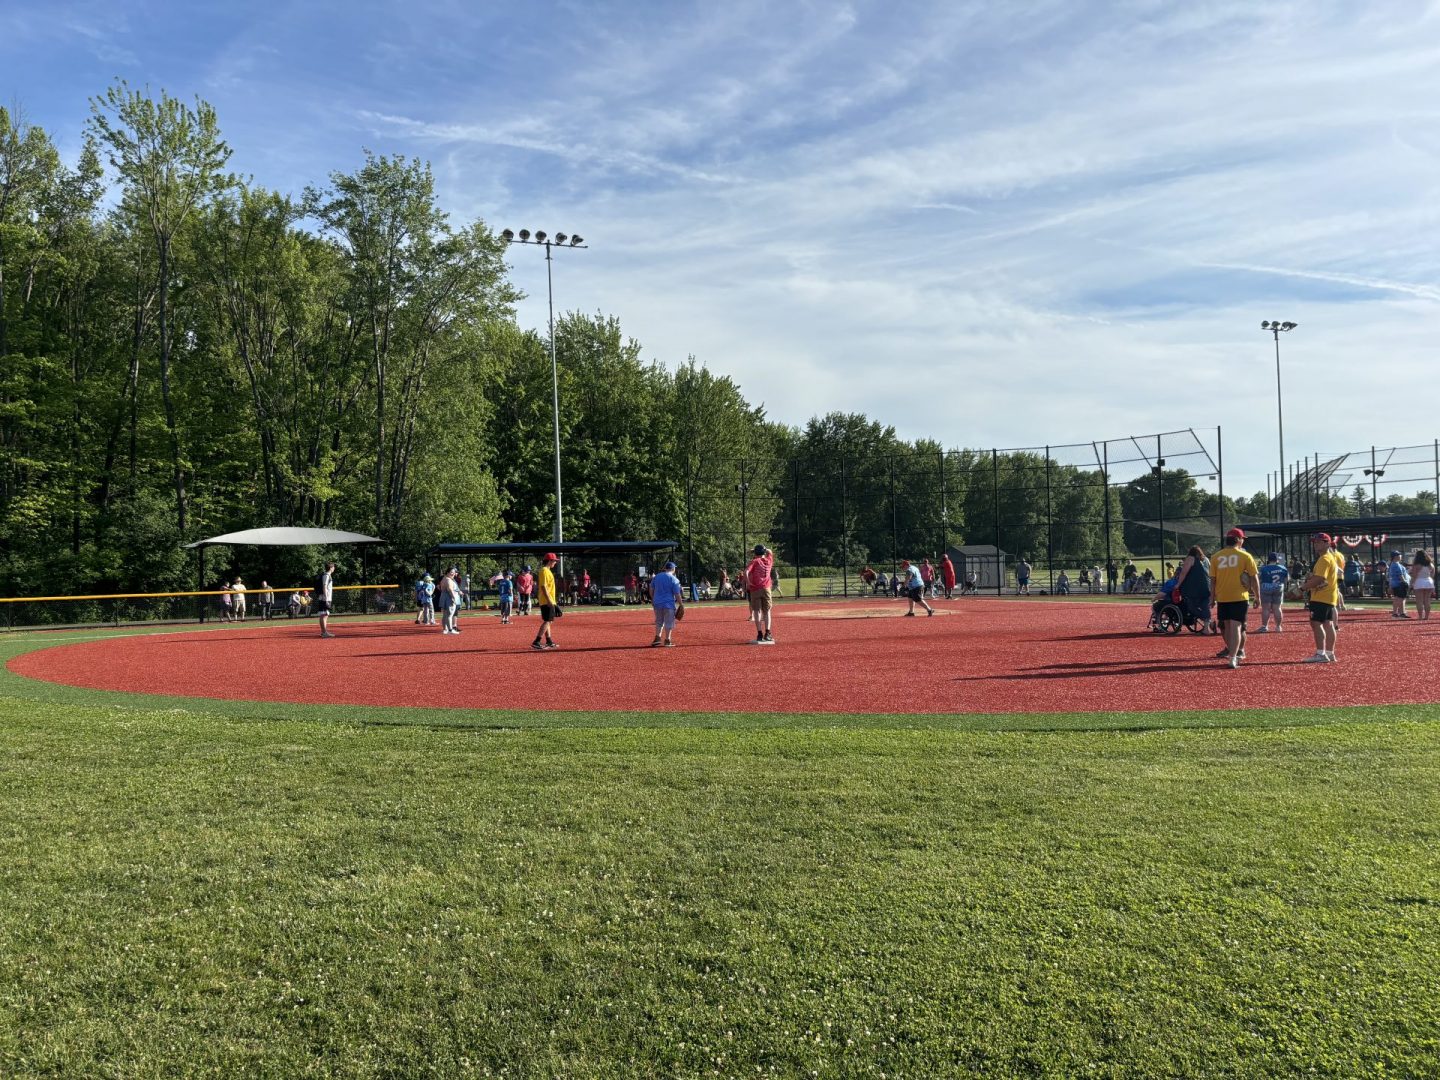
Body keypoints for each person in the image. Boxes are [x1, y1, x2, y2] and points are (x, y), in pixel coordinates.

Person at [1211, 528, 1258, 668]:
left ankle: (1235, 652)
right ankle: (1233, 656)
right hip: (1239, 596)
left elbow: (1212, 580)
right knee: (1236, 627)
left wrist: (1212, 597)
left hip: (1223, 597)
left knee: (1226, 627)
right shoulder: (1245, 556)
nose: (1243, 541)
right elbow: (1254, 578)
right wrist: (1257, 596)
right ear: (1238, 540)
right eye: (1242, 539)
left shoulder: (1216, 556)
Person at [1301, 532, 1340, 663]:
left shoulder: (1324, 559)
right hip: (1328, 596)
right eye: (1315, 542)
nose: (1316, 544)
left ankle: (1321, 653)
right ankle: (1329, 653)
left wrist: (1303, 587)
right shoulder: (1329, 558)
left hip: (1321, 596)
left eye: (1319, 542)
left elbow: (1320, 578)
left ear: (1327, 543)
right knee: (1328, 624)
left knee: (1316, 623)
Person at [1173, 545, 1212, 633]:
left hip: (1194, 587)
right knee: (1205, 606)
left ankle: (1208, 623)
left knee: (1191, 607)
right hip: (1207, 586)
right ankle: (1207, 626)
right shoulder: (1206, 560)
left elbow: (1183, 573)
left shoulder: (1190, 558)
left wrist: (1178, 584)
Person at [745, 544, 775, 644]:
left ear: (755, 553)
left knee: (757, 612)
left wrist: (748, 582)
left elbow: (746, 572)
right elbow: (770, 551)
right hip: (766, 589)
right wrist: (763, 550)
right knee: (767, 611)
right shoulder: (769, 560)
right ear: (764, 552)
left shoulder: (754, 561)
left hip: (755, 589)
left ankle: (759, 634)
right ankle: (768, 633)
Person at [649, 559, 683, 647]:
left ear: (665, 568)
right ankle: (667, 640)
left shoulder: (656, 577)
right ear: (673, 569)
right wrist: (681, 604)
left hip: (657, 603)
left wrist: (653, 599)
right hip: (668, 604)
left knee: (659, 621)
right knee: (669, 622)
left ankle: (657, 638)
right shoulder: (674, 579)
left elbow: (651, 589)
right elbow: (677, 593)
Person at [531, 552, 561, 650]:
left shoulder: (548, 571)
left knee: (548, 621)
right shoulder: (544, 570)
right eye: (554, 561)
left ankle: (549, 641)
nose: (555, 563)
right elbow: (543, 586)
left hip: (549, 600)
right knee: (548, 621)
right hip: (546, 600)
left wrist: (554, 603)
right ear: (549, 561)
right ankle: (537, 641)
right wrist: (549, 601)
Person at [1255, 553, 1288, 633]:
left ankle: (1264, 626)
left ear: (1268, 560)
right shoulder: (1283, 568)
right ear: (1277, 560)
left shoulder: (1264, 568)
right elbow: (1286, 580)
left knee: (1266, 608)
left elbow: (1259, 579)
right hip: (1278, 587)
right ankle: (1278, 627)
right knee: (1277, 608)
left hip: (1266, 587)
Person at [1410, 549, 1435, 620]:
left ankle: (1420, 617)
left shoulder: (1416, 565)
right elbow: (1433, 574)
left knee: (1419, 601)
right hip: (1428, 581)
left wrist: (1411, 584)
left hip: (1419, 582)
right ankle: (1426, 617)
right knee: (1427, 600)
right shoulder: (1431, 564)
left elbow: (1414, 575)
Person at [1387, 550, 1411, 618]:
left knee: (1397, 598)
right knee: (1401, 598)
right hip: (1400, 583)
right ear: (1395, 556)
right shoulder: (1396, 564)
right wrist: (1405, 582)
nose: (1400, 556)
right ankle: (1401, 613)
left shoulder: (1393, 564)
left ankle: (1396, 613)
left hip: (1396, 583)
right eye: (1399, 555)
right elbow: (1400, 575)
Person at [436, 567, 460, 634]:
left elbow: (440, 588)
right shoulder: (449, 580)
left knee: (445, 615)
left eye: (453, 572)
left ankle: (445, 629)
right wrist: (453, 598)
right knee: (450, 614)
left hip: (443, 596)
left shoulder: (444, 579)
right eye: (451, 572)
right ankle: (450, 630)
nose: (453, 573)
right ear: (447, 572)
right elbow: (450, 589)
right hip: (448, 597)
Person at [316, 561, 336, 638]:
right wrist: (326, 597)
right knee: (323, 614)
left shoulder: (327, 575)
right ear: (330, 568)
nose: (334, 568)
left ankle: (324, 632)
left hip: (326, 598)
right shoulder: (326, 575)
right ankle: (324, 632)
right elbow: (324, 586)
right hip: (325, 598)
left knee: (325, 614)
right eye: (333, 567)